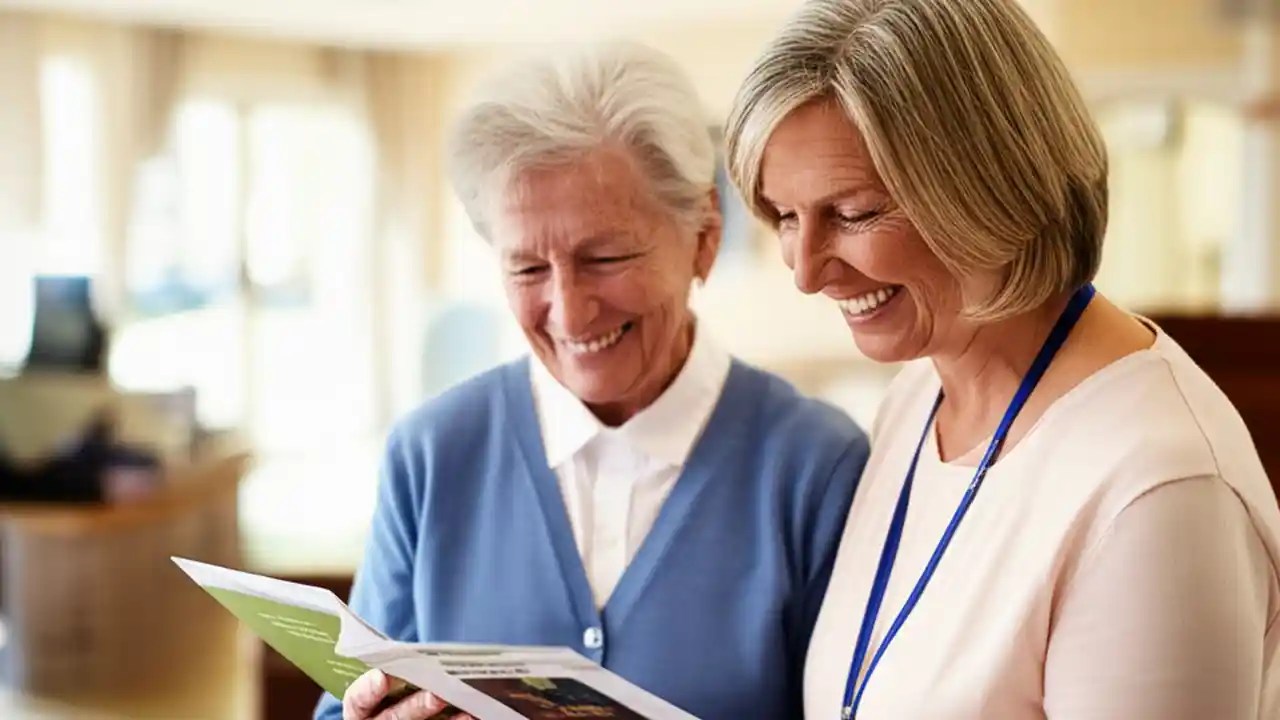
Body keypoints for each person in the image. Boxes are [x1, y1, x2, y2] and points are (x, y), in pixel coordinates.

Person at [724, 0, 1280, 718]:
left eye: (854, 213)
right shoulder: (918, 396)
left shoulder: (1158, 491)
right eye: (785, 218)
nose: (805, 272)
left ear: (990, 186)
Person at [316, 41, 870, 720]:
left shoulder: (815, 466)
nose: (570, 309)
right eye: (526, 269)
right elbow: (345, 703)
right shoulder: (430, 456)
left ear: (703, 233)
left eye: (605, 256)